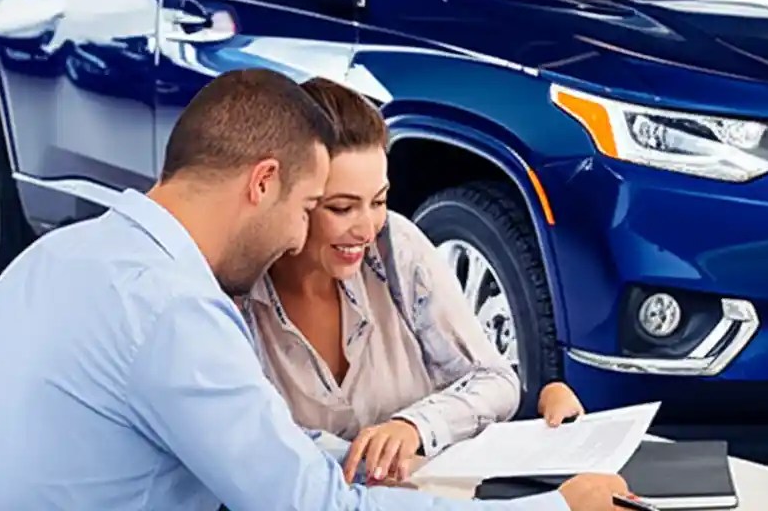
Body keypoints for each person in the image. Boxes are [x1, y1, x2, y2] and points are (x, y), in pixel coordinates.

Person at [0, 68, 628, 511]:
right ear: (262, 182)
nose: (296, 237)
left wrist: (359, 456)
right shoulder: (171, 310)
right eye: (310, 206)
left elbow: (259, 442)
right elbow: (307, 506)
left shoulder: (48, 264)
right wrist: (554, 509)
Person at [244, 77, 586, 484]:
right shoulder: (238, 295)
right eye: (341, 208)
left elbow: (494, 380)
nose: (367, 228)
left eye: (379, 201)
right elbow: (259, 444)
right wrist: (370, 461)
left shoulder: (396, 246)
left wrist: (414, 427)